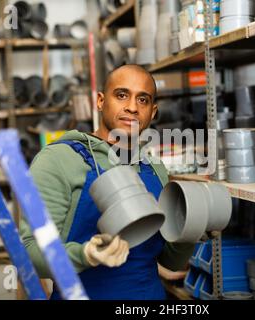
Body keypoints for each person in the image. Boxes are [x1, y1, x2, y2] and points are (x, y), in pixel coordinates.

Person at [20, 64, 194, 300]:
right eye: (122, 95)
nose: (132, 107)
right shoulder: (59, 160)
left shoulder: (155, 170)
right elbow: (30, 250)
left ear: (153, 112)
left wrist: (189, 229)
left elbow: (170, 261)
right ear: (101, 101)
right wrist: (87, 255)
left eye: (142, 100)